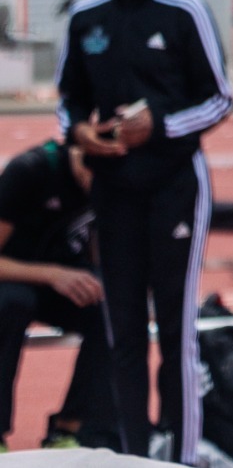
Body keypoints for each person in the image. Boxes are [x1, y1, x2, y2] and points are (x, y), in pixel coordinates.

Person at [58, 0, 232, 464]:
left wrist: (156, 125)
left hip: (176, 187)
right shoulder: (85, 17)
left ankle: (181, 457)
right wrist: (80, 132)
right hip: (113, 193)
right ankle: (136, 456)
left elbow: (220, 100)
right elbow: (68, 100)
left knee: (177, 333)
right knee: (124, 335)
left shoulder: (186, 11)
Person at [0, 140, 114, 451]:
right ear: (79, 157)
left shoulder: (108, 184)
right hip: (12, 276)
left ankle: (69, 429)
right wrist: (52, 273)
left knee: (111, 312)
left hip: (59, 282)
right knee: (10, 305)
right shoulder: (29, 172)